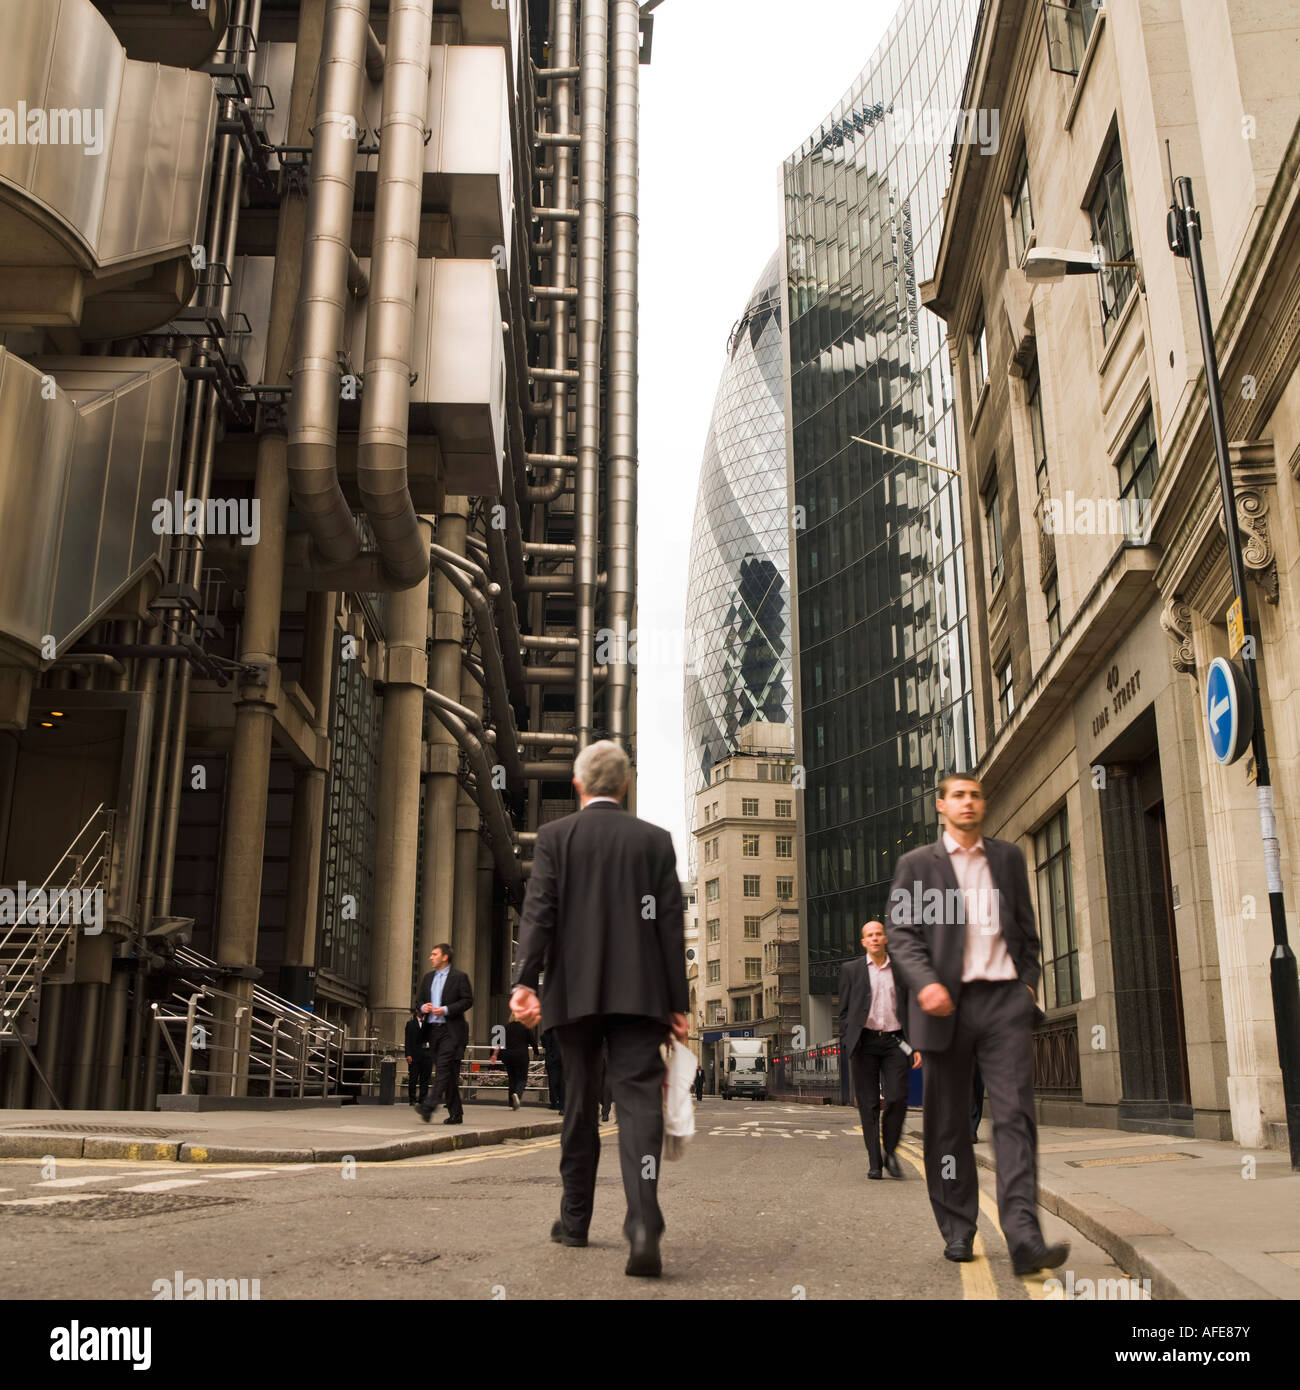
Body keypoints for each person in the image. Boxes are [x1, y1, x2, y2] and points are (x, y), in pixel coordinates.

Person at [510, 739, 689, 1279]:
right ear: (625, 785)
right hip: (641, 997)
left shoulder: (556, 837)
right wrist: (677, 1004)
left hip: (574, 997)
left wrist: (525, 981)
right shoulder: (654, 841)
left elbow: (539, 913)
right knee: (638, 1110)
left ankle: (575, 1220)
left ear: (578, 783)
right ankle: (642, 1224)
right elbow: (669, 928)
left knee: (579, 1106)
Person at [887, 771, 1068, 1275]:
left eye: (975, 795)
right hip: (945, 1005)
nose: (968, 802)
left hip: (1003, 1004)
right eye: (958, 796)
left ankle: (1024, 1234)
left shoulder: (1008, 858)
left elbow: (1028, 935)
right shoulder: (916, 866)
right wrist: (925, 983)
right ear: (941, 806)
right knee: (947, 1128)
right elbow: (901, 935)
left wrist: (1027, 986)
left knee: (1014, 1116)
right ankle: (959, 1227)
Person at [837, 919, 922, 1179]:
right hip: (864, 1043)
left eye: (878, 934)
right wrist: (847, 1040)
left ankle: (892, 1152)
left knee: (897, 1097)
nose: (874, 938)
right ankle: (875, 1161)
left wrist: (916, 1046)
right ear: (864, 942)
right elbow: (844, 1012)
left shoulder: (900, 970)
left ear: (885, 938)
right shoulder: (851, 970)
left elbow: (912, 1010)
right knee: (869, 1104)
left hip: (895, 1042)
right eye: (869, 935)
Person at [414, 943, 473, 1126]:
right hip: (433, 1031)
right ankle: (456, 1114)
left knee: (442, 1068)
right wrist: (424, 1007)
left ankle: (429, 1106)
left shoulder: (459, 977)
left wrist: (446, 1009)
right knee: (448, 1072)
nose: (430, 957)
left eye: (434, 954)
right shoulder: (428, 977)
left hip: (451, 1031)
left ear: (445, 957)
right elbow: (419, 1001)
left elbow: (467, 1000)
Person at [490, 1014, 538, 1109]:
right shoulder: (526, 1027)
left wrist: (494, 1055)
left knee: (512, 1079)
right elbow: (533, 1041)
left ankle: (511, 1103)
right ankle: (517, 1095)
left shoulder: (506, 1027)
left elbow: (499, 1043)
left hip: (508, 1056)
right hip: (521, 1056)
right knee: (522, 1079)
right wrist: (536, 1052)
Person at [404, 1008, 433, 1108]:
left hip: (427, 1054)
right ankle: (412, 1099)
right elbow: (407, 1041)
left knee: (425, 1078)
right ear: (416, 1010)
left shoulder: (429, 1024)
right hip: (415, 1054)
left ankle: (423, 1099)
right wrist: (408, 1054)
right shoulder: (410, 1024)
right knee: (413, 1078)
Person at [541, 1025, 565, 1113]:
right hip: (557, 1060)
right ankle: (557, 1103)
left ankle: (560, 1105)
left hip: (558, 1060)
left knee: (559, 1082)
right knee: (557, 1082)